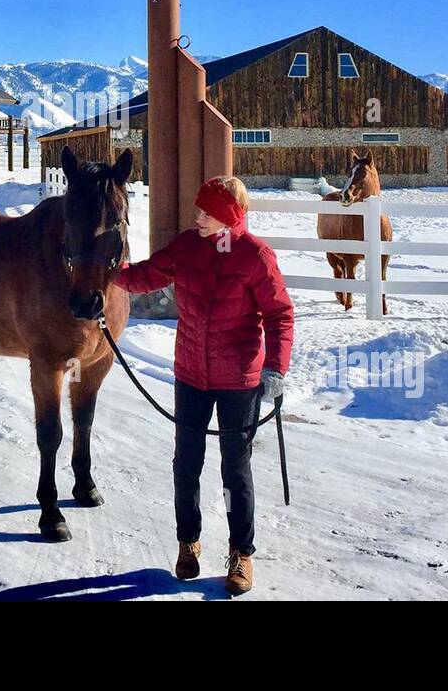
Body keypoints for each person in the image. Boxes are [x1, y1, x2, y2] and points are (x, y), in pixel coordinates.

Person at [113, 175, 293, 595]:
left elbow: (280, 315)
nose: (197, 217)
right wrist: (109, 272)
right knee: (186, 462)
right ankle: (187, 541)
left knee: (235, 468)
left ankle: (240, 553)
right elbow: (146, 277)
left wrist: (275, 368)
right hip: (191, 374)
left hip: (238, 380)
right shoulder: (187, 246)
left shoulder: (255, 256)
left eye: (205, 212)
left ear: (228, 216)